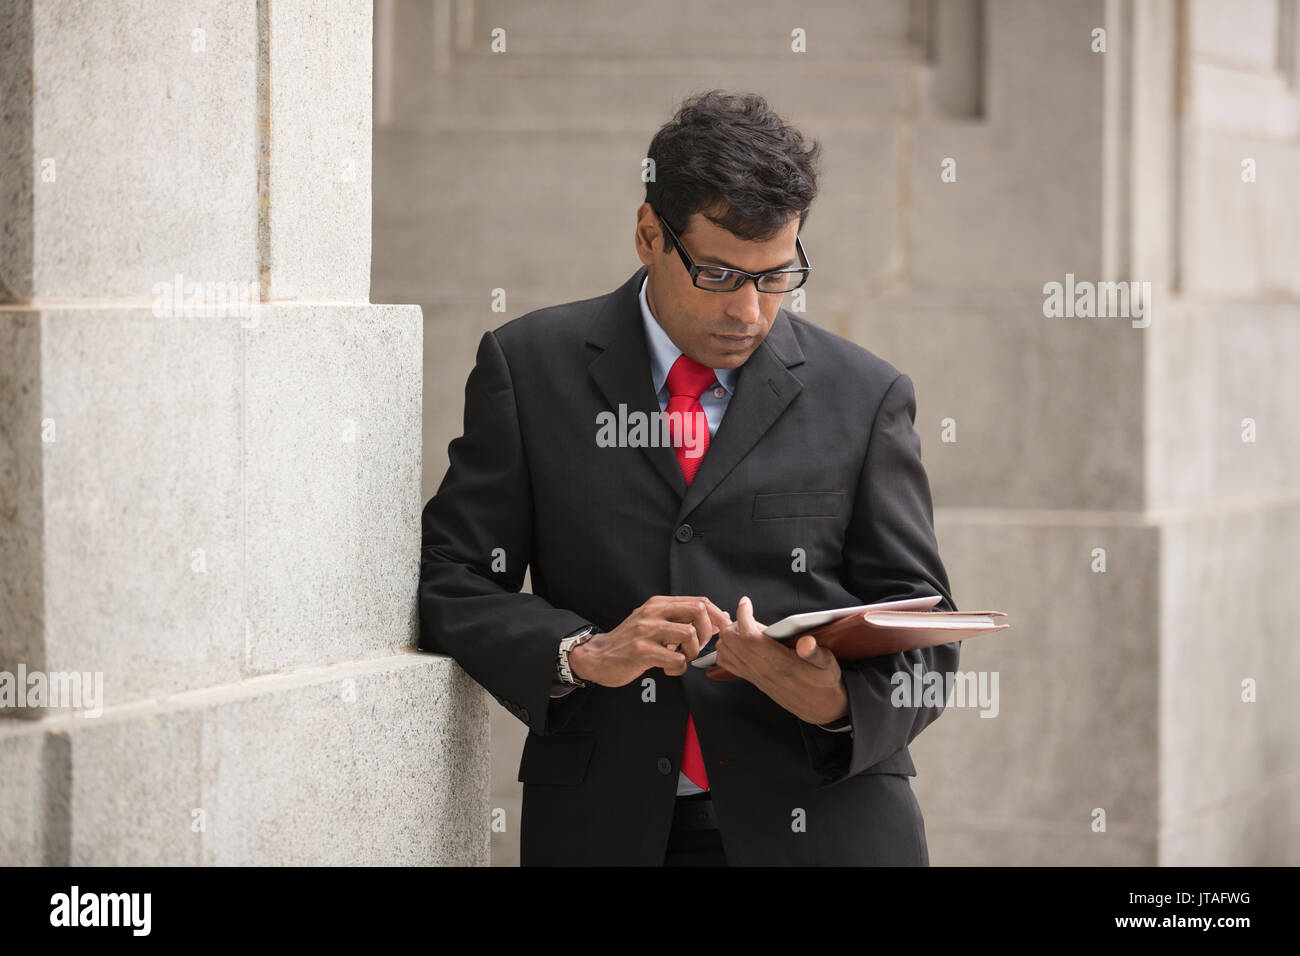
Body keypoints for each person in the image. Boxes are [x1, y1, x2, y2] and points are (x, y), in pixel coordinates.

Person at [419, 90, 960, 866]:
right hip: (606, 832)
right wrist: (581, 652)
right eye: (718, 274)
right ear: (649, 235)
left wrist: (840, 701)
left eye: (777, 278)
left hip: (827, 831)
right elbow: (453, 577)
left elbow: (925, 632)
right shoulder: (528, 368)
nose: (749, 310)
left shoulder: (864, 395)